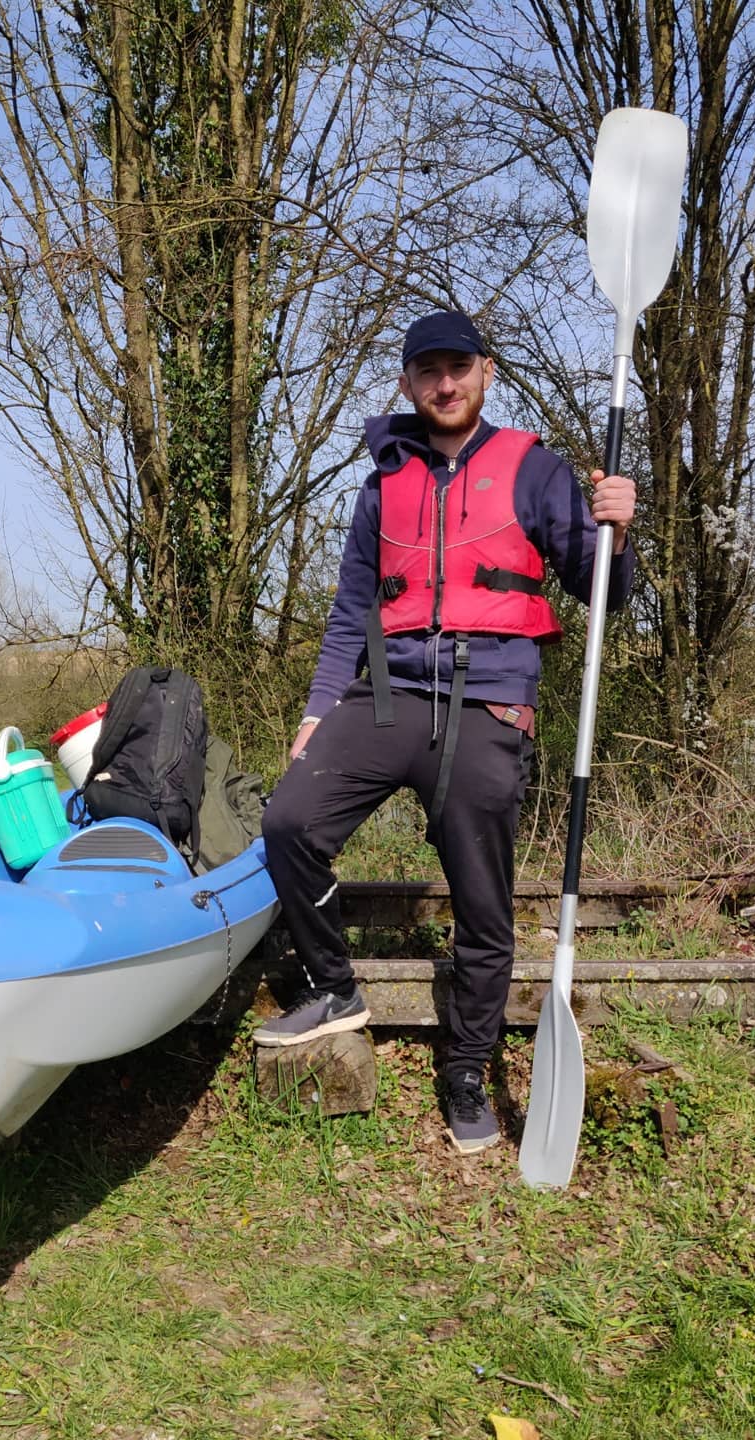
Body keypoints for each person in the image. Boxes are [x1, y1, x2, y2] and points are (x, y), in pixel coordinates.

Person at [256, 309, 636, 1154]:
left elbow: (608, 594)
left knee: (481, 902)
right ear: (407, 383)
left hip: (491, 702)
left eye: (458, 367)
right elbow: (352, 607)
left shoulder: (533, 471)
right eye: (427, 370)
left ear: (486, 373)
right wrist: (319, 708)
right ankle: (333, 986)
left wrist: (617, 527)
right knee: (288, 824)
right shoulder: (381, 480)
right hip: (387, 699)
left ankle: (467, 1070)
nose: (444, 383)